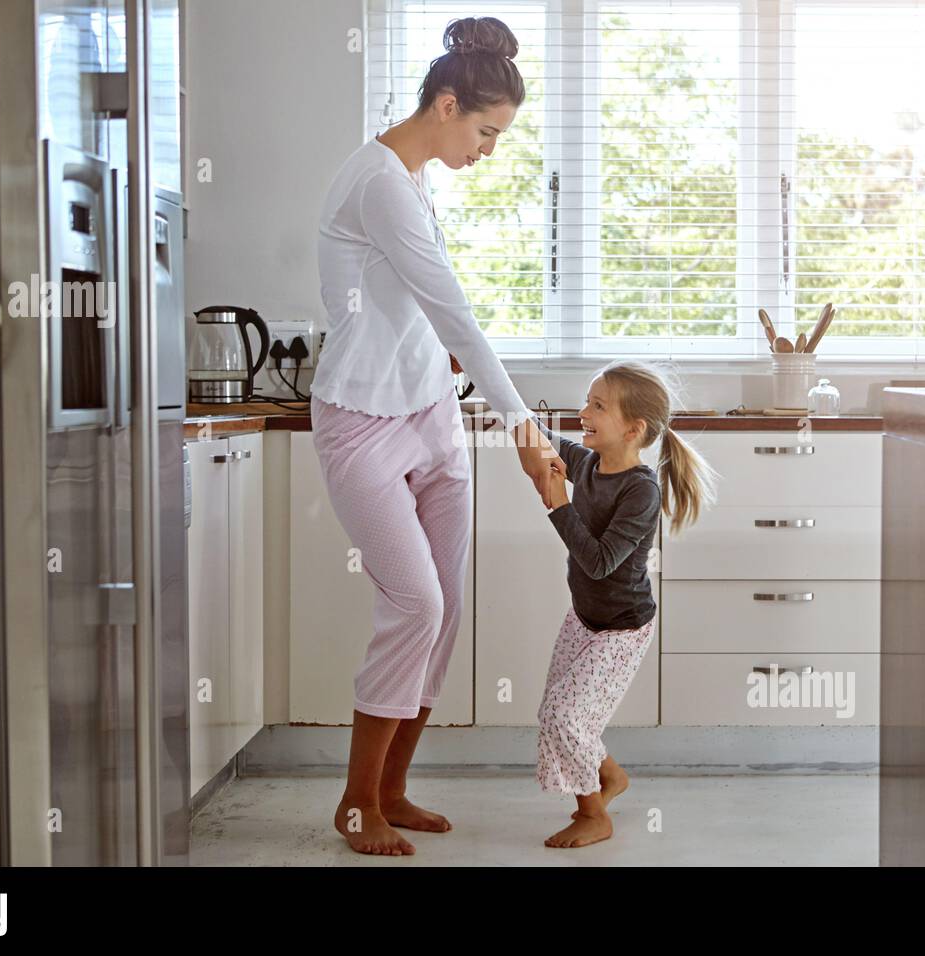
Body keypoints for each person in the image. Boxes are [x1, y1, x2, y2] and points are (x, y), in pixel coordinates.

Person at [312, 16, 562, 856]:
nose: (489, 150)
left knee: (444, 609)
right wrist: (522, 422)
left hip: (431, 415)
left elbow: (423, 311)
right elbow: (449, 300)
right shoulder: (379, 179)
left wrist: (448, 364)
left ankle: (391, 791)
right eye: (486, 131)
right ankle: (356, 804)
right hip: (363, 422)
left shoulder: (414, 179)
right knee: (412, 601)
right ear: (447, 103)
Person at [531, 361, 718, 848]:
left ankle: (594, 814)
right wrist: (508, 409)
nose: (583, 411)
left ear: (633, 429)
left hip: (621, 629)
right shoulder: (590, 462)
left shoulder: (641, 491)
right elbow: (543, 440)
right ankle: (611, 778)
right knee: (556, 712)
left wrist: (557, 503)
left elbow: (598, 562)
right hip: (584, 617)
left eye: (598, 406)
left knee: (567, 717)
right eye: (587, 401)